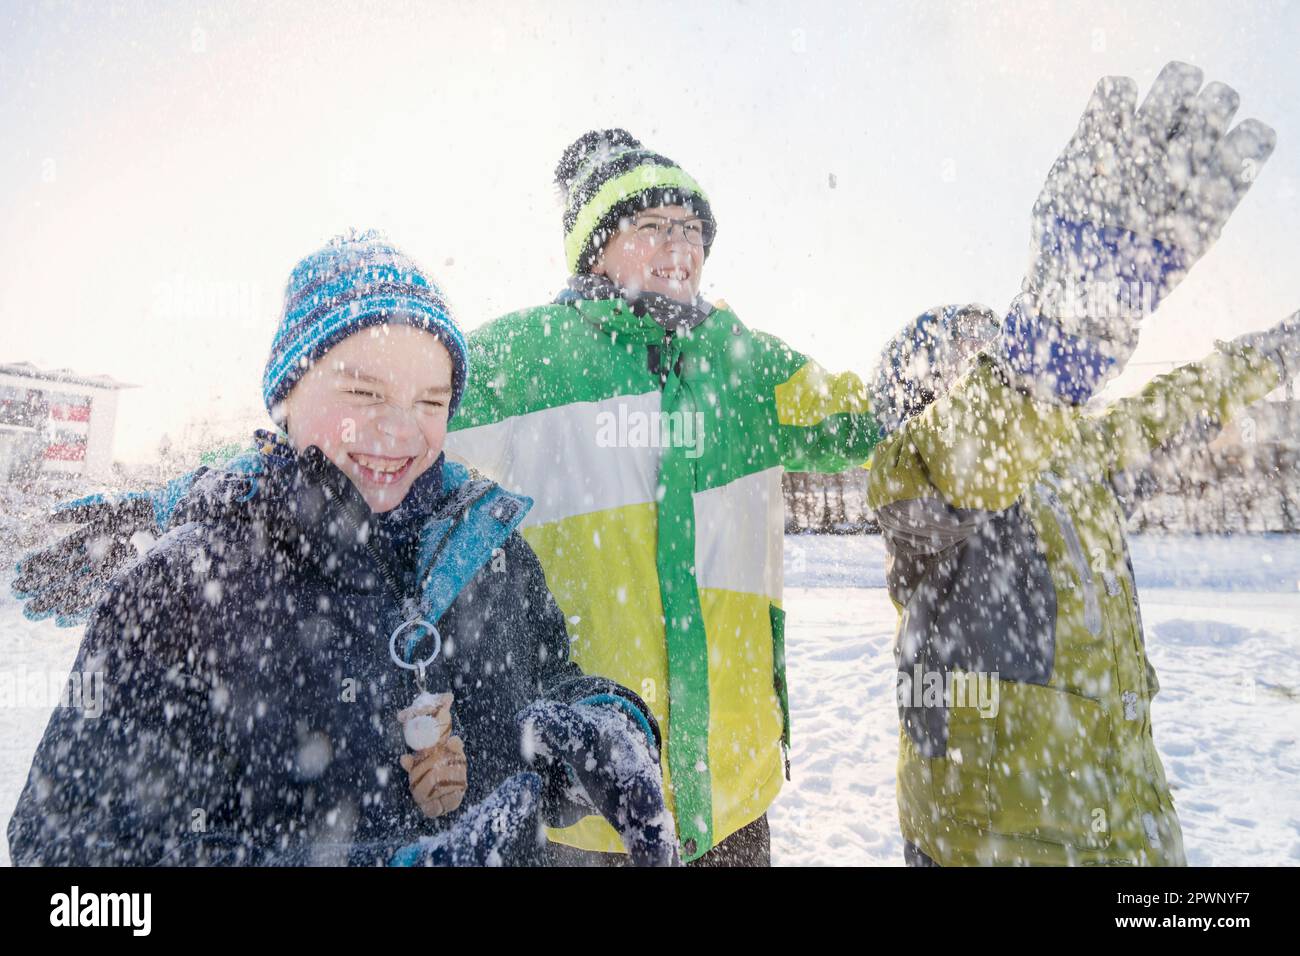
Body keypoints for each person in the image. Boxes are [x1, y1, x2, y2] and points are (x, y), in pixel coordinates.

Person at [14, 133, 885, 865]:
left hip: (730, 797)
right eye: (653, 224)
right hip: (583, 843)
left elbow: (864, 420)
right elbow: (313, 431)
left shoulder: (743, 368)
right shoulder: (529, 355)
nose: (681, 246)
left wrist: (599, 723)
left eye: (694, 228)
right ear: (595, 245)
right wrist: (156, 510)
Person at [7, 233, 675, 867]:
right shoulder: (184, 589)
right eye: (364, 392)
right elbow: (72, 863)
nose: (399, 429)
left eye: (431, 401)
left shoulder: (491, 554)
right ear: (286, 395)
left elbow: (546, 684)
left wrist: (600, 730)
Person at [865, 62, 1288, 865]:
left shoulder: (1073, 453)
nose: (988, 354)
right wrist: (1045, 350)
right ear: (922, 393)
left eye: (997, 340)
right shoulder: (912, 471)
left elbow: (1175, 404)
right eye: (967, 355)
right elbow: (976, 447)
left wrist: (1272, 355)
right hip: (994, 840)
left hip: (1129, 827)